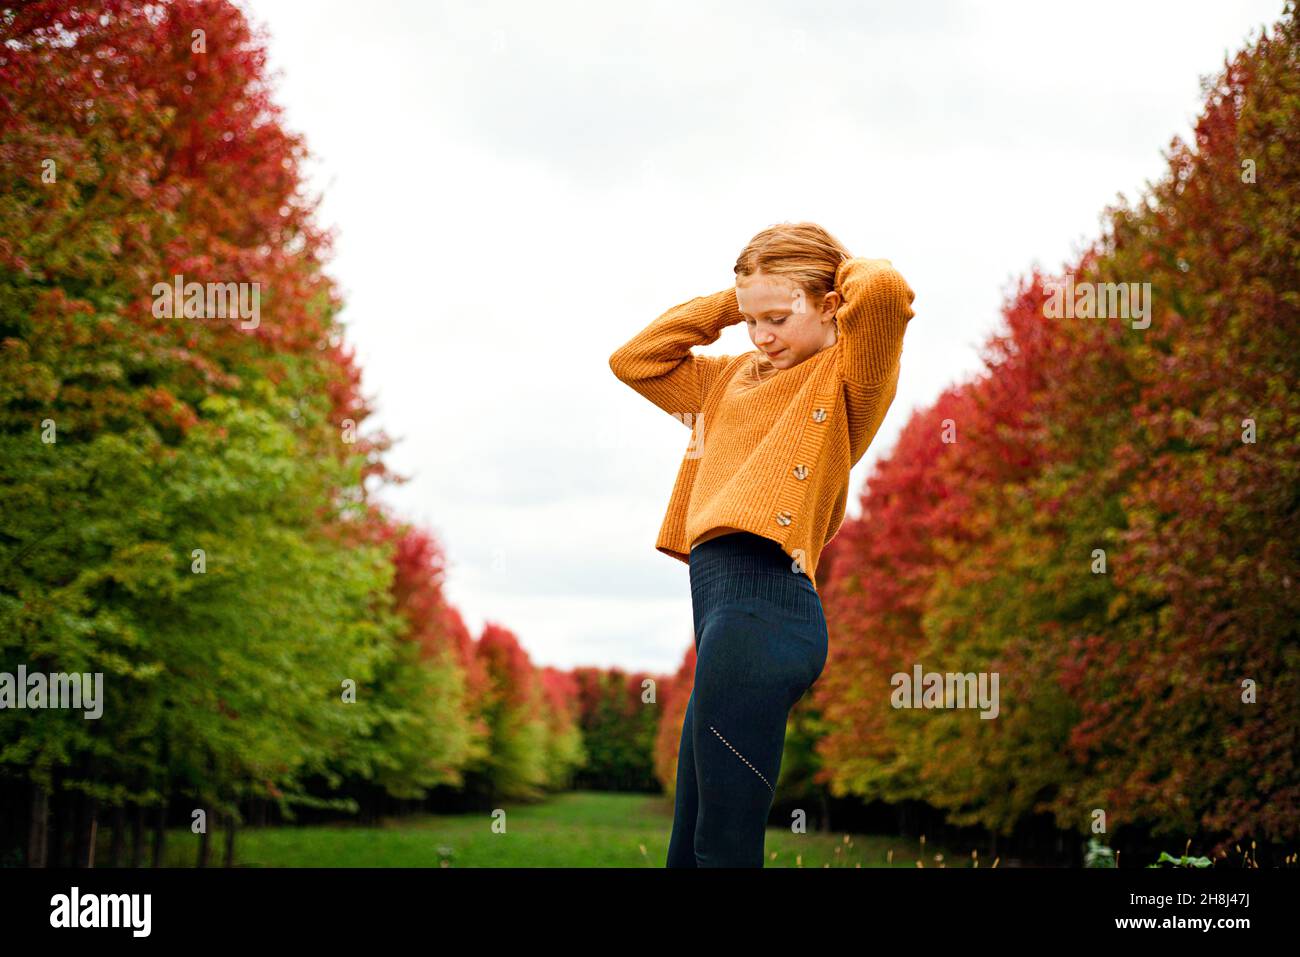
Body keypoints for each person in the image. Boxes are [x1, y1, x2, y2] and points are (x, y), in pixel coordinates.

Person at [609, 221, 917, 867]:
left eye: (777, 316)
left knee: (723, 846)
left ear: (831, 303)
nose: (761, 335)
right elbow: (635, 360)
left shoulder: (848, 374)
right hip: (723, 621)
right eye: (751, 321)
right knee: (690, 847)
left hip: (768, 613)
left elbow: (883, 287)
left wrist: (831, 276)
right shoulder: (723, 381)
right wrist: (738, 298)